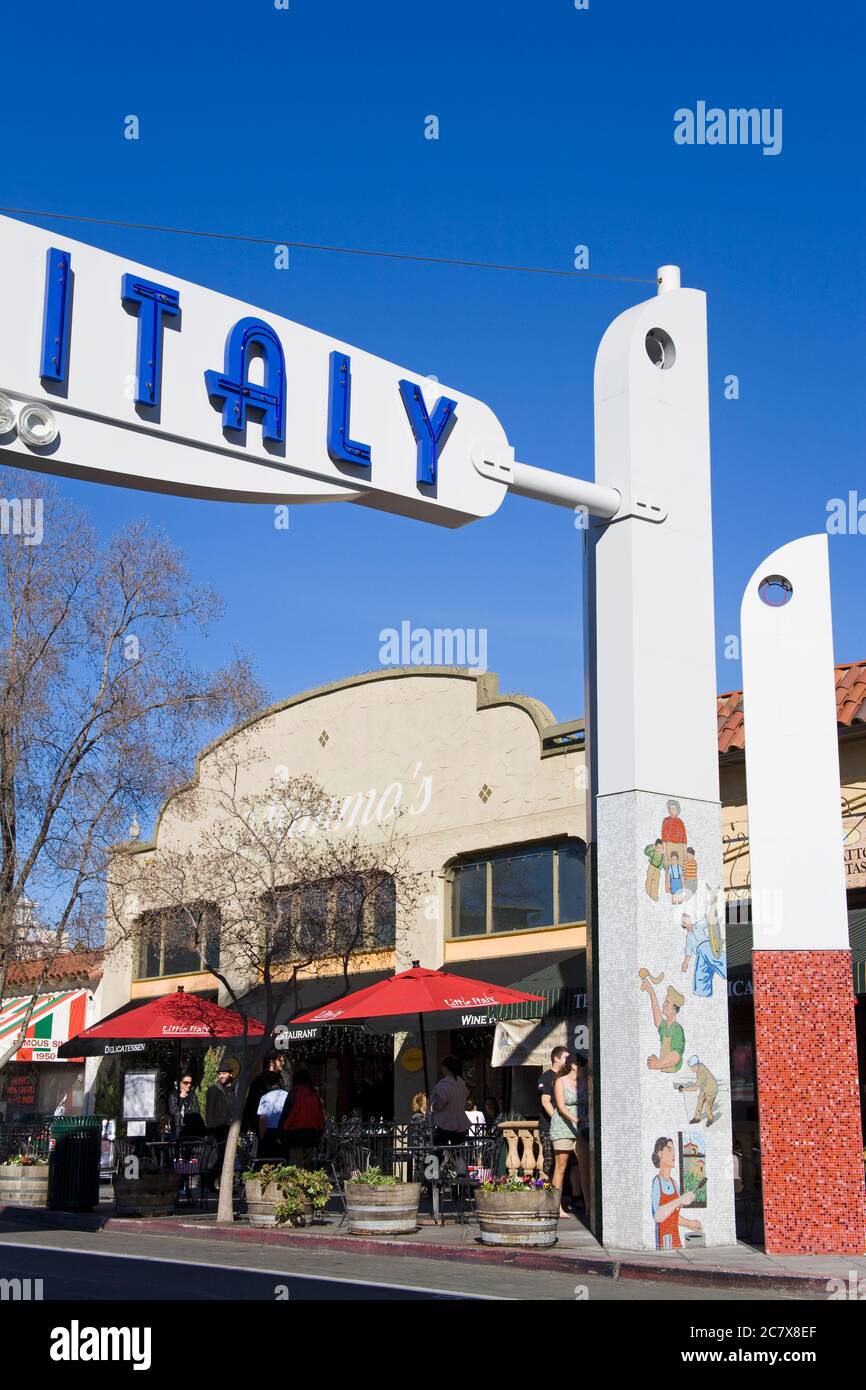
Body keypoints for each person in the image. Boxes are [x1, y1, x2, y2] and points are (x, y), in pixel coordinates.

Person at [650, 1136, 702, 1249]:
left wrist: (688, 1223)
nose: (673, 1154)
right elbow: (658, 1216)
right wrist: (680, 1200)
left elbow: (673, 1216)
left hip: (676, 1238)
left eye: (674, 1150)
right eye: (669, 1149)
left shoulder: (674, 1184)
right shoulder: (657, 1182)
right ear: (660, 1154)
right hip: (664, 1240)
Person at [549, 1052, 581, 1218]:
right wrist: (576, 1119)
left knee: (583, 1166)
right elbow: (560, 1106)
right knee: (561, 1166)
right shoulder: (560, 1081)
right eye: (581, 1064)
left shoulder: (582, 1082)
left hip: (581, 1127)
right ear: (574, 1066)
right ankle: (556, 1207)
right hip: (564, 1126)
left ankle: (589, 1206)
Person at [280, 1068, 325, 1163]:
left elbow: (286, 1113)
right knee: (307, 1167)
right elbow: (320, 1116)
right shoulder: (314, 1095)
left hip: (295, 1135)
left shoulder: (294, 1093)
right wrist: (319, 1134)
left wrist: (281, 1133)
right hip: (311, 1135)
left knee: (296, 1166)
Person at [537, 1044, 569, 1179]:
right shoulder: (547, 1077)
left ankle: (573, 1198)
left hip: (564, 1128)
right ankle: (546, 1196)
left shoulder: (565, 1078)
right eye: (566, 1058)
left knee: (569, 1164)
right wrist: (558, 1119)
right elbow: (545, 1102)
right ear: (556, 1059)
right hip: (548, 1128)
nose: (568, 1061)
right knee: (549, 1164)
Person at [430, 1056, 469, 1146]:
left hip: (446, 1123)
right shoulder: (462, 1084)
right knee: (459, 1155)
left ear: (444, 1067)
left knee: (437, 1154)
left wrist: (433, 1104)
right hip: (460, 1124)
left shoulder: (444, 1085)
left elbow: (440, 1106)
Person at [257, 1071, 289, 1159]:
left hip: (269, 1134)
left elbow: (263, 1120)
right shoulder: (287, 1096)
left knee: (269, 1163)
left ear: (267, 1084)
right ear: (279, 1082)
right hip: (284, 1133)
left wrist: (262, 1137)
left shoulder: (265, 1097)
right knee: (283, 1162)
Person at [205, 1061, 236, 1142]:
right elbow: (209, 1112)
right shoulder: (214, 1089)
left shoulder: (236, 1089)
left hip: (233, 1129)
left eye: (224, 1073)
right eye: (219, 1074)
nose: (221, 1076)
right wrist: (211, 1132)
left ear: (230, 1074)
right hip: (218, 1131)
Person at [169, 1072, 203, 1139]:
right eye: (186, 1083)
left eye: (190, 1083)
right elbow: (173, 1112)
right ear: (180, 1083)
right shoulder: (173, 1095)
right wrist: (181, 1098)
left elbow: (196, 1112)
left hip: (190, 1130)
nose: (189, 1085)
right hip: (177, 1129)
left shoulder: (193, 1096)